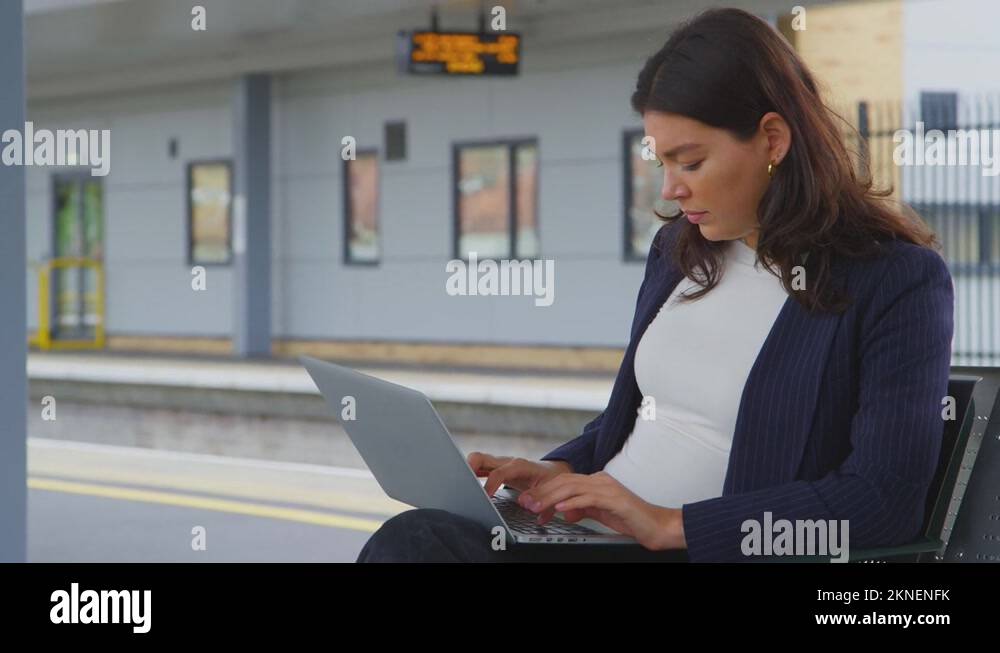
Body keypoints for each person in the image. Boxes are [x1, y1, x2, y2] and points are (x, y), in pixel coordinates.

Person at [357, 7, 954, 563]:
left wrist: (673, 525)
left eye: (691, 162)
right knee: (421, 535)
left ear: (772, 140)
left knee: (416, 546)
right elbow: (637, 423)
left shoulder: (892, 281)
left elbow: (881, 503)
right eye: (661, 162)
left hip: (689, 548)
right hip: (596, 537)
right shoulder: (679, 253)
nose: (671, 189)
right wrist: (557, 471)